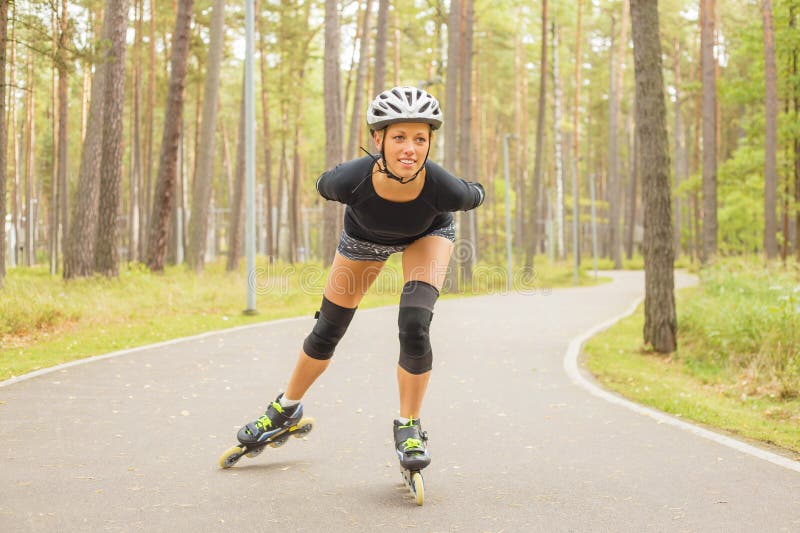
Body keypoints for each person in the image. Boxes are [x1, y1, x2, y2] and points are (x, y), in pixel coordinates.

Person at [235, 86, 485, 473]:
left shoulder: (444, 188)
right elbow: (322, 184)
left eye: (420, 139)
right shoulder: (349, 180)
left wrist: (475, 192)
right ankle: (286, 409)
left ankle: (409, 426)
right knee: (327, 329)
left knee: (414, 324)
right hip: (363, 240)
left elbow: (475, 193)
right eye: (399, 137)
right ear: (378, 139)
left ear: (429, 143)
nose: (410, 149)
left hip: (427, 236)